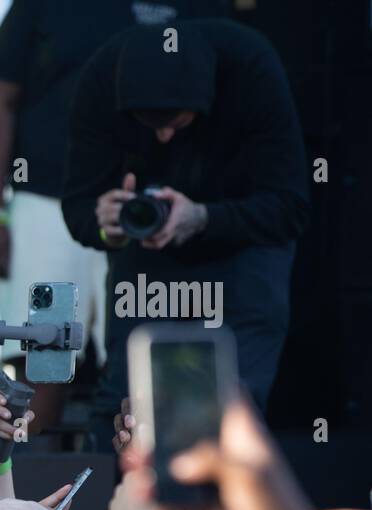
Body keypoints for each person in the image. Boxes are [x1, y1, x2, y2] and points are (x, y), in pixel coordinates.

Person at [61, 20, 309, 452]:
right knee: (124, 406)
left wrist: (202, 218)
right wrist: (107, 225)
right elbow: (79, 207)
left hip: (241, 249)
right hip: (147, 262)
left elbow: (290, 207)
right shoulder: (100, 79)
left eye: (175, 121)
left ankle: (226, 507)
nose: (162, 136)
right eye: (148, 122)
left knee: (232, 408)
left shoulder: (251, 68)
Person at [0, 0, 226, 433]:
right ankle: (30, 497)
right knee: (45, 362)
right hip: (48, 202)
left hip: (152, 212)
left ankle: (145, 495)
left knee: (145, 368)